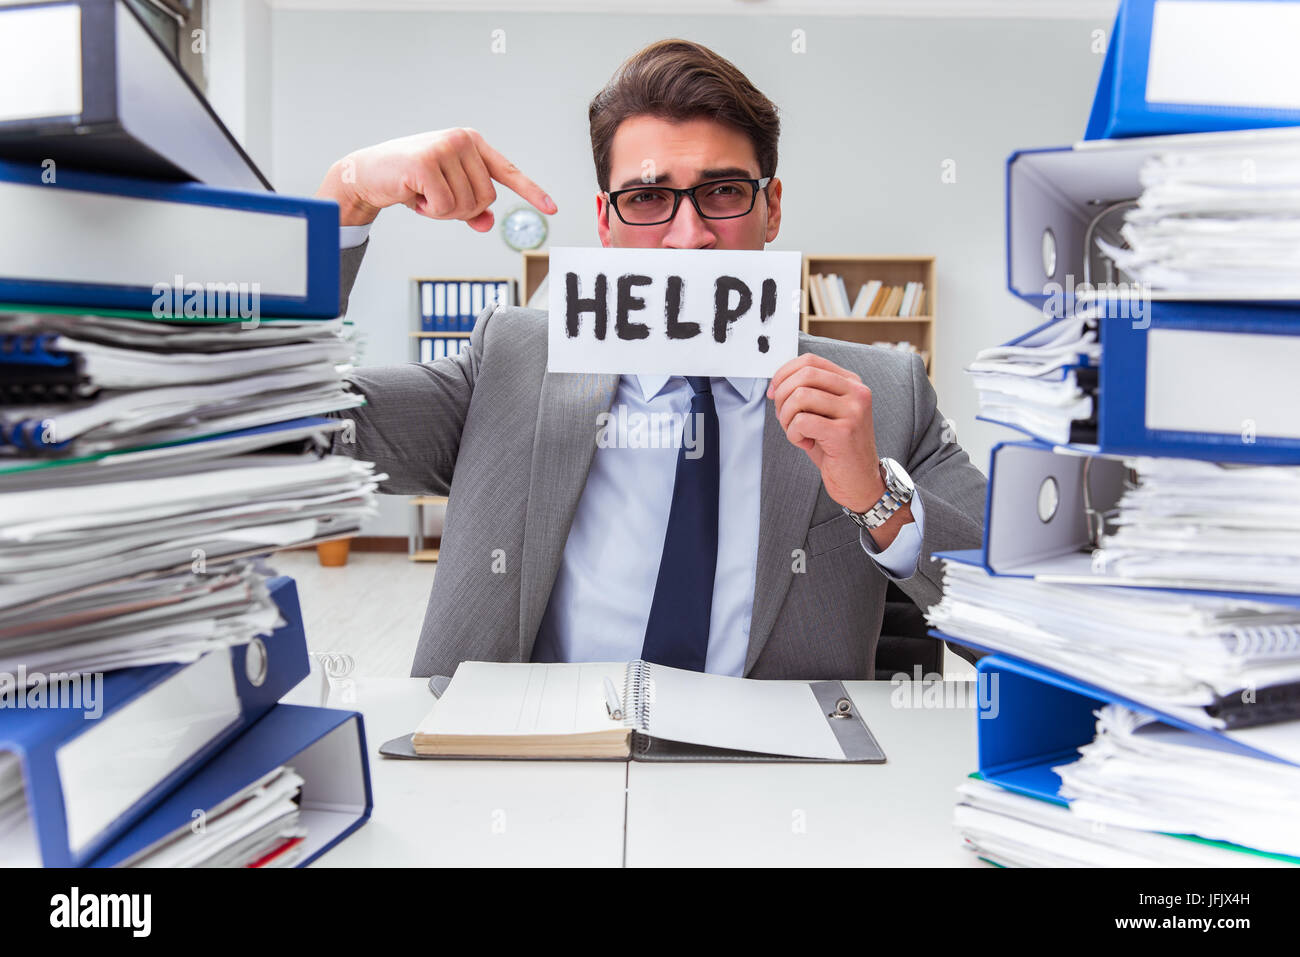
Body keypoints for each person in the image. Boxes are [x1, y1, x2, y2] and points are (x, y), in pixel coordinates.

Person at [315, 38, 987, 680]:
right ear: (606, 223)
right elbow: (279, 430)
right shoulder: (509, 366)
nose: (689, 237)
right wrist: (346, 199)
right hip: (531, 766)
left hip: (773, 778)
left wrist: (878, 498)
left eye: (724, 192)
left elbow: (1025, 613)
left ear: (771, 208)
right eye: (647, 198)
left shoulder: (885, 392)